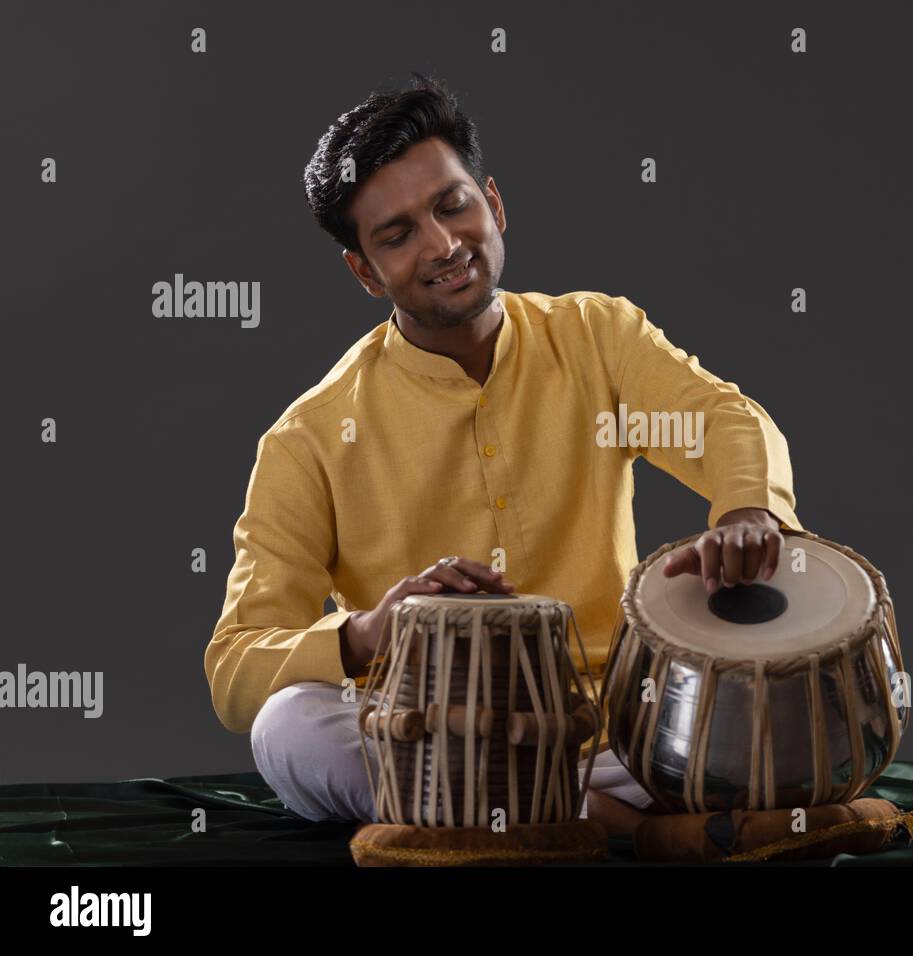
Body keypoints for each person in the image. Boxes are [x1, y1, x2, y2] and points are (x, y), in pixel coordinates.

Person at [205, 72, 803, 826]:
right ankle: (607, 831)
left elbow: (722, 418)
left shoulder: (596, 337)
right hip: (436, 747)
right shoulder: (311, 437)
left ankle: (547, 820)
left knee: (767, 706)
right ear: (364, 271)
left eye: (451, 207)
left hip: (621, 735)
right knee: (288, 726)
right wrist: (367, 633)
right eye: (397, 235)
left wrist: (747, 509)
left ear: (493, 203)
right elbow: (235, 667)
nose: (443, 245)